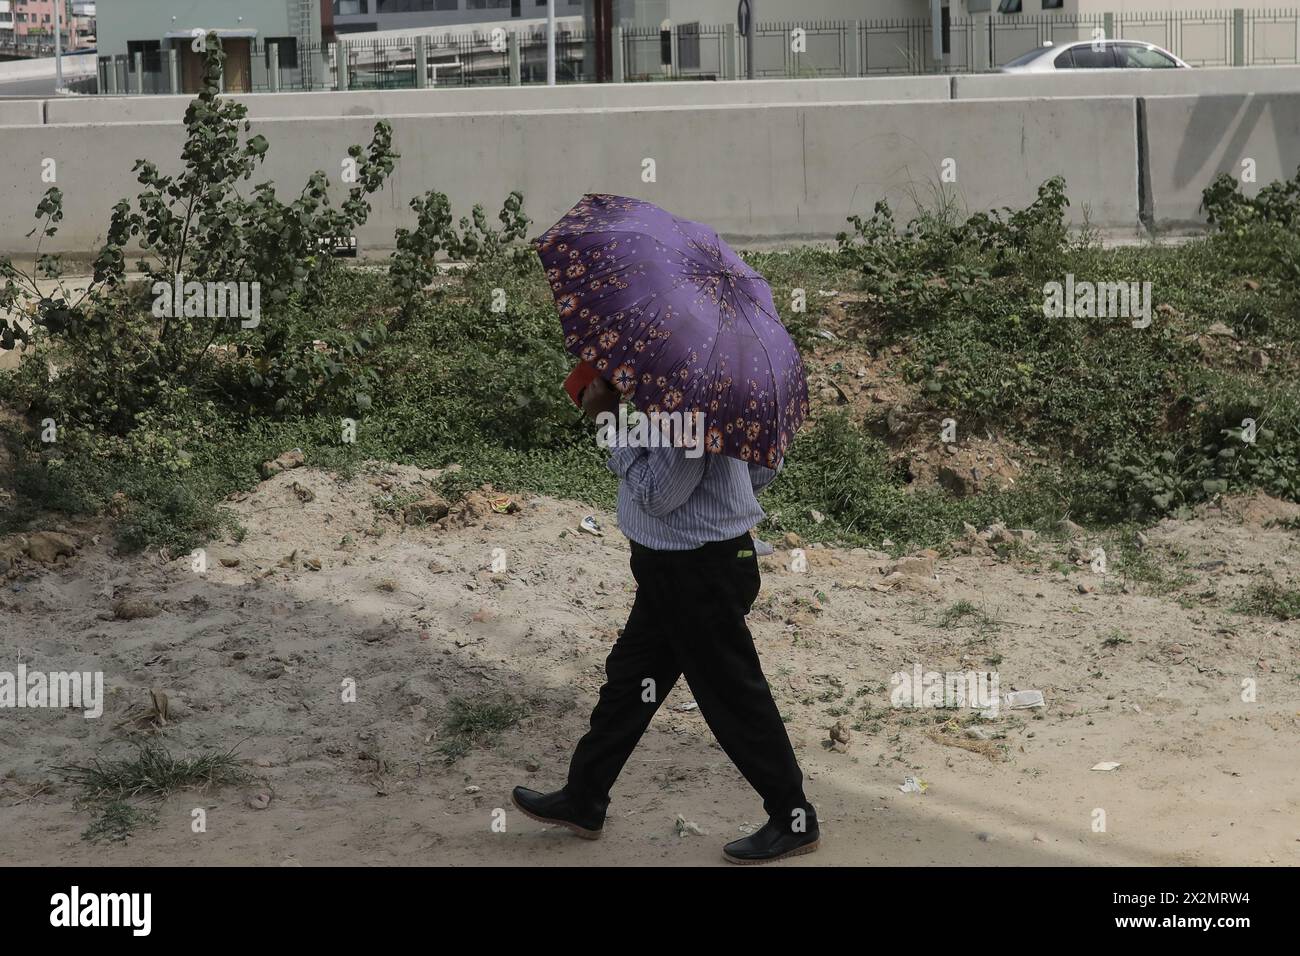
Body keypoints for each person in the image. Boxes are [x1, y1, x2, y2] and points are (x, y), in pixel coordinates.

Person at [512, 375, 819, 864]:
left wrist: (608, 422)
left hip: (696, 574)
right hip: (680, 567)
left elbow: (658, 495)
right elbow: (764, 468)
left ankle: (793, 818)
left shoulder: (687, 407)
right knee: (630, 682)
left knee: (733, 697)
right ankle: (584, 797)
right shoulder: (721, 386)